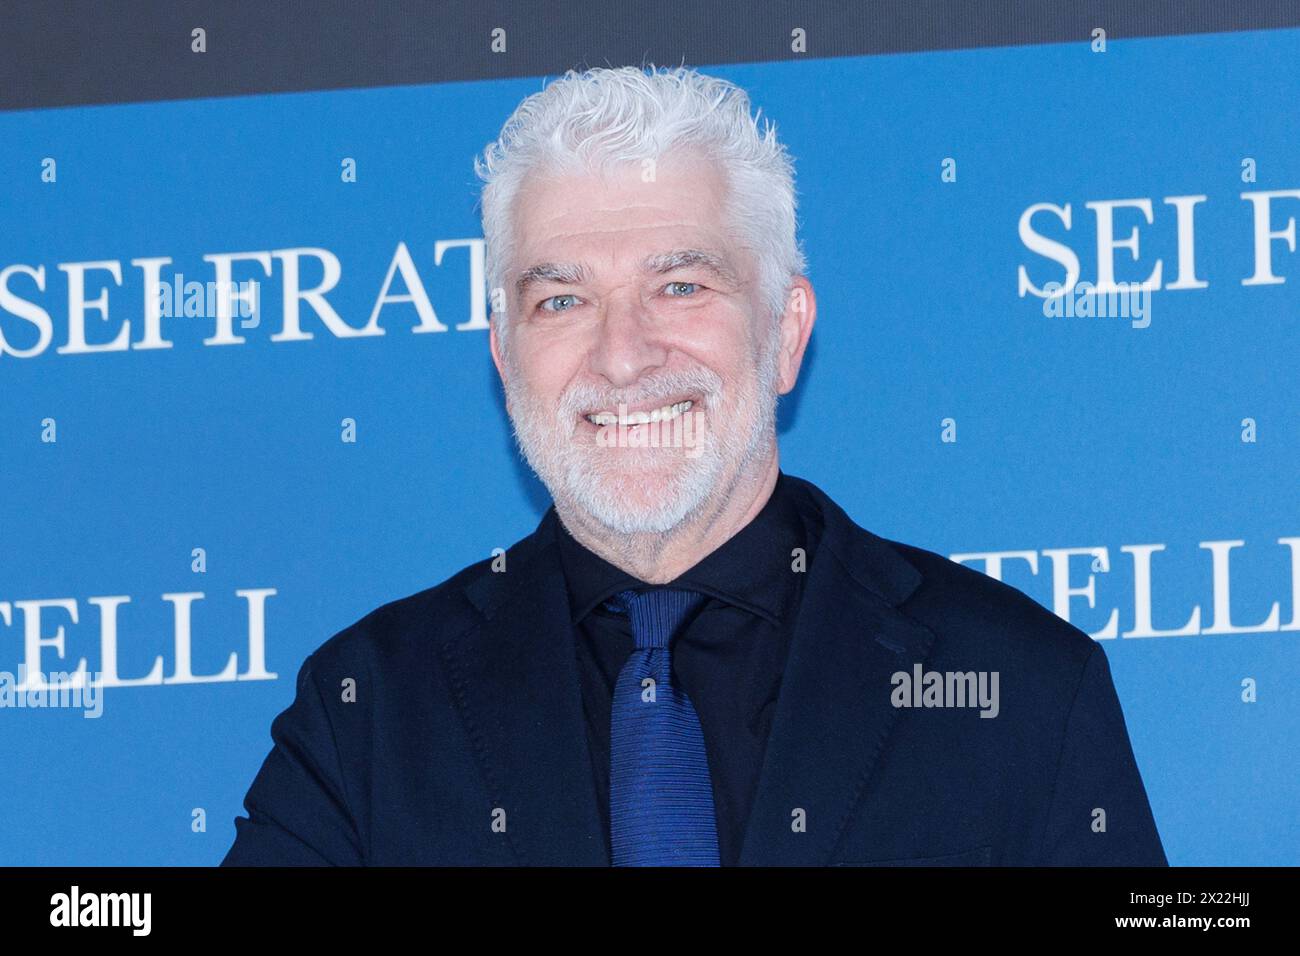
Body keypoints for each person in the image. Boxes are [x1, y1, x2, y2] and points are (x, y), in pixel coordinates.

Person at [222, 65, 1166, 866]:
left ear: (785, 331)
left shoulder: (1020, 685)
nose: (624, 355)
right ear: (505, 356)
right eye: (560, 301)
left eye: (680, 286)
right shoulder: (369, 711)